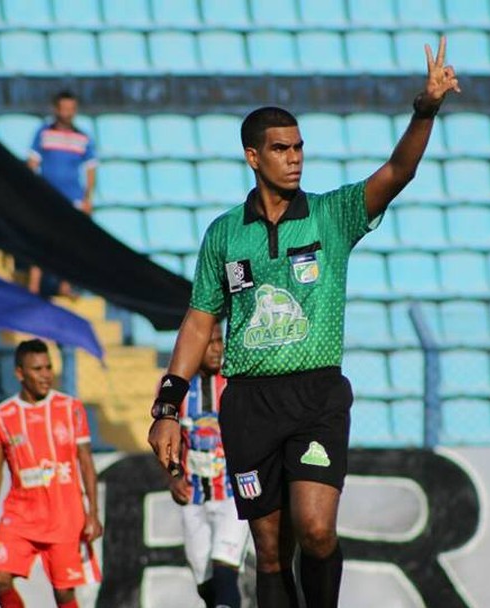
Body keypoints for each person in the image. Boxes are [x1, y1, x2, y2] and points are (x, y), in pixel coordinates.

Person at [149, 37, 459, 608]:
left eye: (298, 147)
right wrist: (168, 406)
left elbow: (398, 171)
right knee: (270, 551)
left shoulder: (331, 214)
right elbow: (198, 322)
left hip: (316, 395)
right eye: (280, 148)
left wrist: (426, 109)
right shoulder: (224, 233)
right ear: (253, 157)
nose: (294, 157)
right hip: (248, 403)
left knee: (315, 530)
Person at [0, 339, 102, 608]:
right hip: (20, 516)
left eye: (48, 367)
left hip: (64, 516)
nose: (46, 374)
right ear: (20, 373)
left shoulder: (71, 408)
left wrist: (93, 513)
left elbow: (86, 462)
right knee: (0, 577)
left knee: (64, 593)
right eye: (37, 369)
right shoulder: (1, 416)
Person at [168, 324, 249, 608]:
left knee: (225, 573)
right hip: (193, 497)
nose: (217, 349)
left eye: (219, 341)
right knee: (207, 586)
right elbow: (165, 438)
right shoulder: (175, 388)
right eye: (209, 343)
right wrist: (174, 475)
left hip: (232, 495)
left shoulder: (235, 383)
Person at [25, 90, 98, 299]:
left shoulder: (83, 137)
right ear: (56, 109)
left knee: (70, 243)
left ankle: (65, 285)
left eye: (71, 109)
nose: (67, 113)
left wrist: (87, 198)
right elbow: (32, 162)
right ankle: (33, 285)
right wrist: (29, 190)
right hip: (46, 197)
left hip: (72, 198)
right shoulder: (43, 133)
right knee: (39, 240)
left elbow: (90, 170)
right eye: (64, 108)